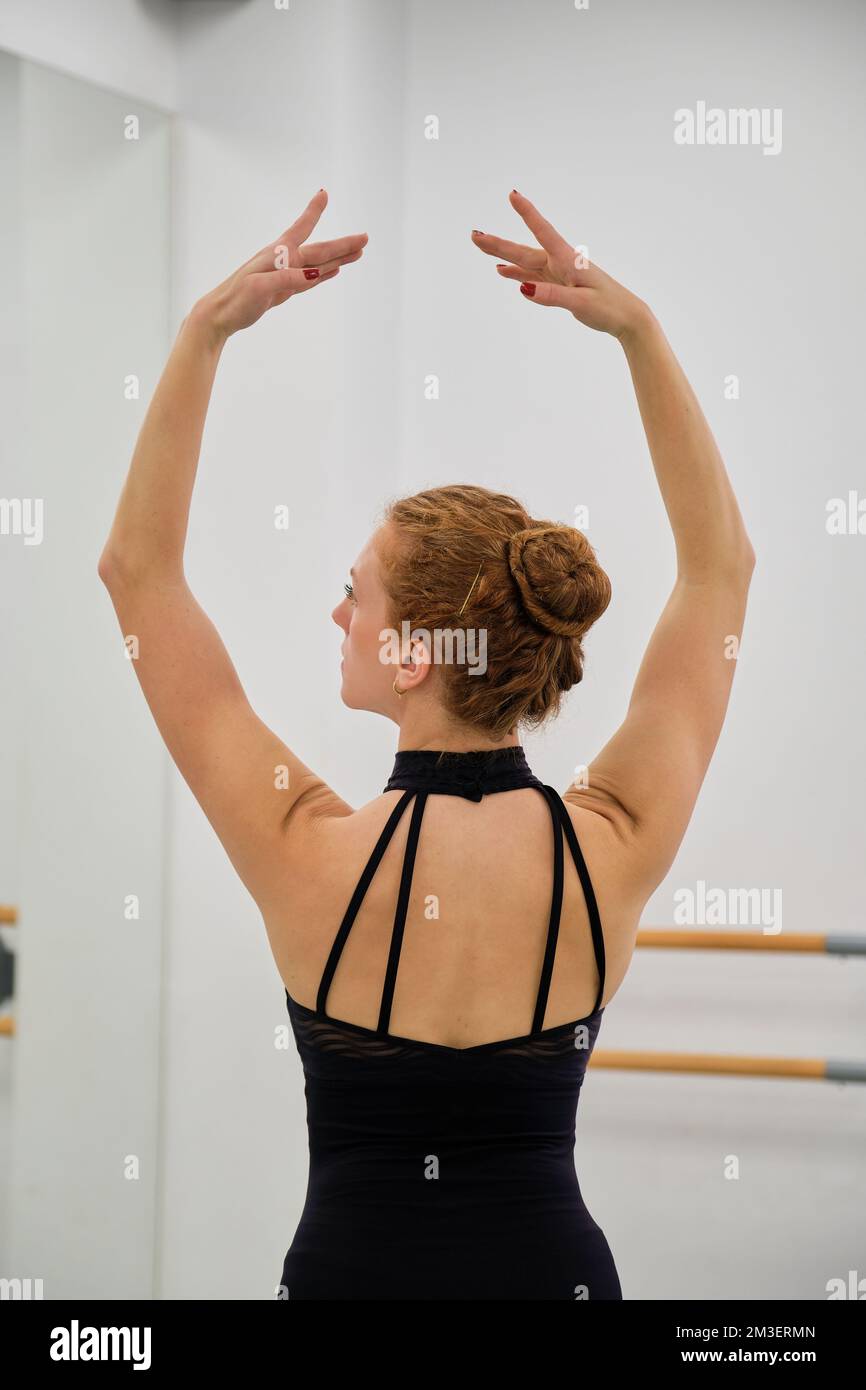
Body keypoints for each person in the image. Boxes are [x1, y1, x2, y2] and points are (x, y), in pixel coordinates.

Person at [98, 188, 755, 1300]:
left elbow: (137, 574)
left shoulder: (304, 851)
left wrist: (205, 330)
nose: (336, 615)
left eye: (350, 594)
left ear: (412, 653)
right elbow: (717, 571)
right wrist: (639, 334)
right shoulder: (613, 839)